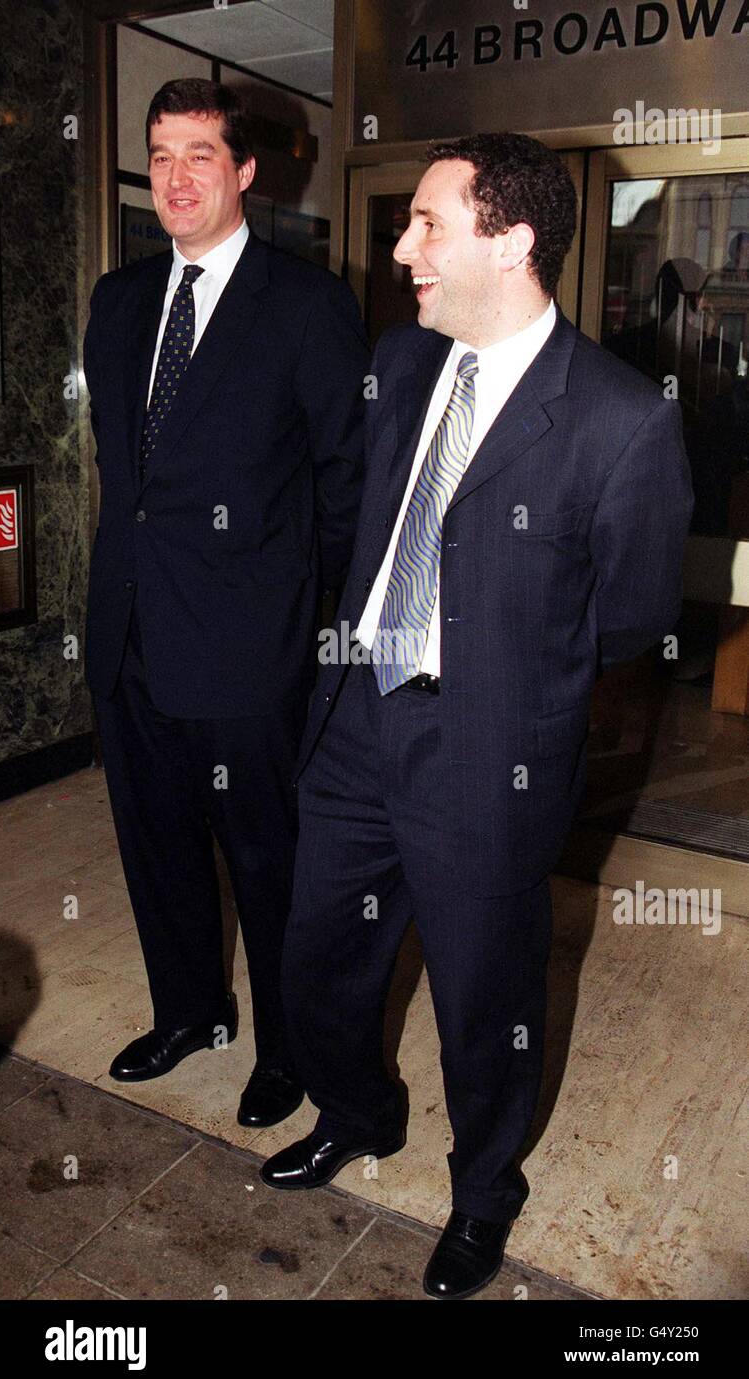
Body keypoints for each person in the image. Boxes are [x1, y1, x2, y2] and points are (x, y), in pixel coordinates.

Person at [261, 133, 694, 1299]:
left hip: (488, 754)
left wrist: (509, 686)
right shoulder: (403, 366)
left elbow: (631, 618)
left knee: (483, 999)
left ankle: (482, 1191)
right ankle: (358, 1111)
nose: (401, 248)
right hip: (359, 718)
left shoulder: (618, 420)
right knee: (320, 954)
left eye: (427, 225)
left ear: (509, 243)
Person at [82, 79, 368, 1130]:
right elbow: (131, 481)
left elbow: (349, 485)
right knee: (154, 845)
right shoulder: (116, 305)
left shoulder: (305, 306)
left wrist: (314, 628)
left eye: (200, 153)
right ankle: (190, 1012)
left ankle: (289, 1048)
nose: (175, 176)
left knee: (268, 862)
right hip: (131, 635)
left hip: (254, 651)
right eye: (160, 155)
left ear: (246, 171)